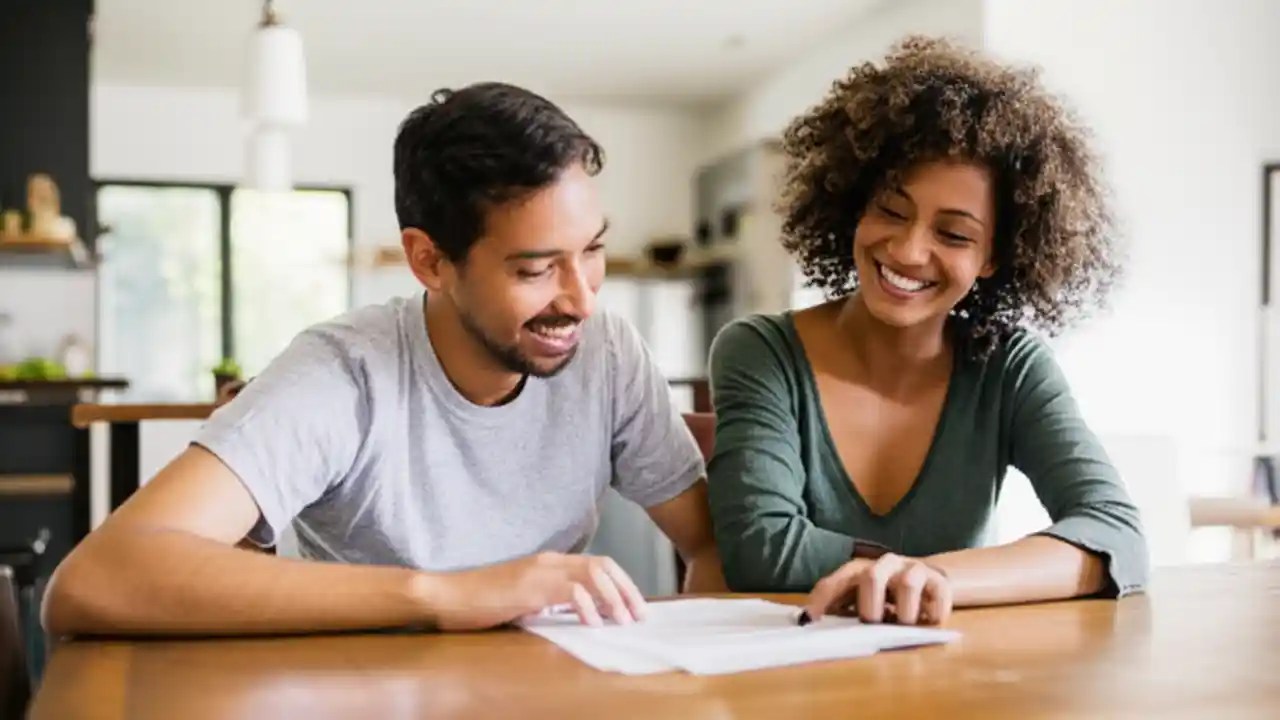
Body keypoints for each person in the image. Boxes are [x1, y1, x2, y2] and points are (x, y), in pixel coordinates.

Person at [43, 82, 723, 636]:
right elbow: (97, 578)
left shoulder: (608, 355)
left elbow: (709, 544)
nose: (580, 299)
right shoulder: (344, 374)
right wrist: (448, 595)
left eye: (593, 251)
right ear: (430, 260)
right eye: (537, 270)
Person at [706, 37, 1148, 626]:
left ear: (995, 255)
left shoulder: (1008, 368)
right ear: (854, 204)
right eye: (891, 210)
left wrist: (936, 578)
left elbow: (1117, 535)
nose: (909, 250)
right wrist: (928, 572)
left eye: (955, 234)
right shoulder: (761, 352)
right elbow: (762, 551)